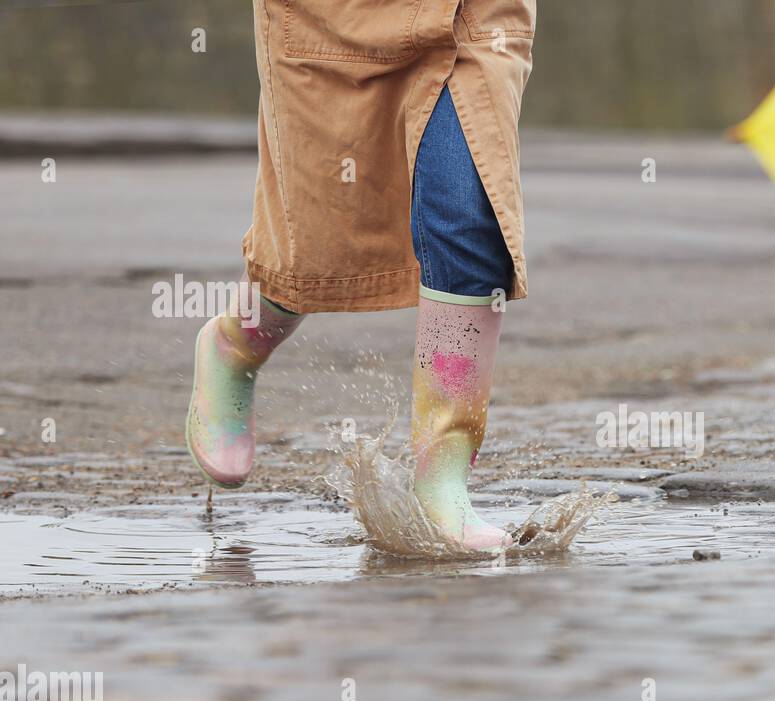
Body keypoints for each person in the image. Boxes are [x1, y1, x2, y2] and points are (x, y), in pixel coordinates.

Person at [185, 0, 535, 550]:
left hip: (470, 15)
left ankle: (440, 480)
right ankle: (238, 342)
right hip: (333, 17)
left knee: (472, 217)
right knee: (317, 242)